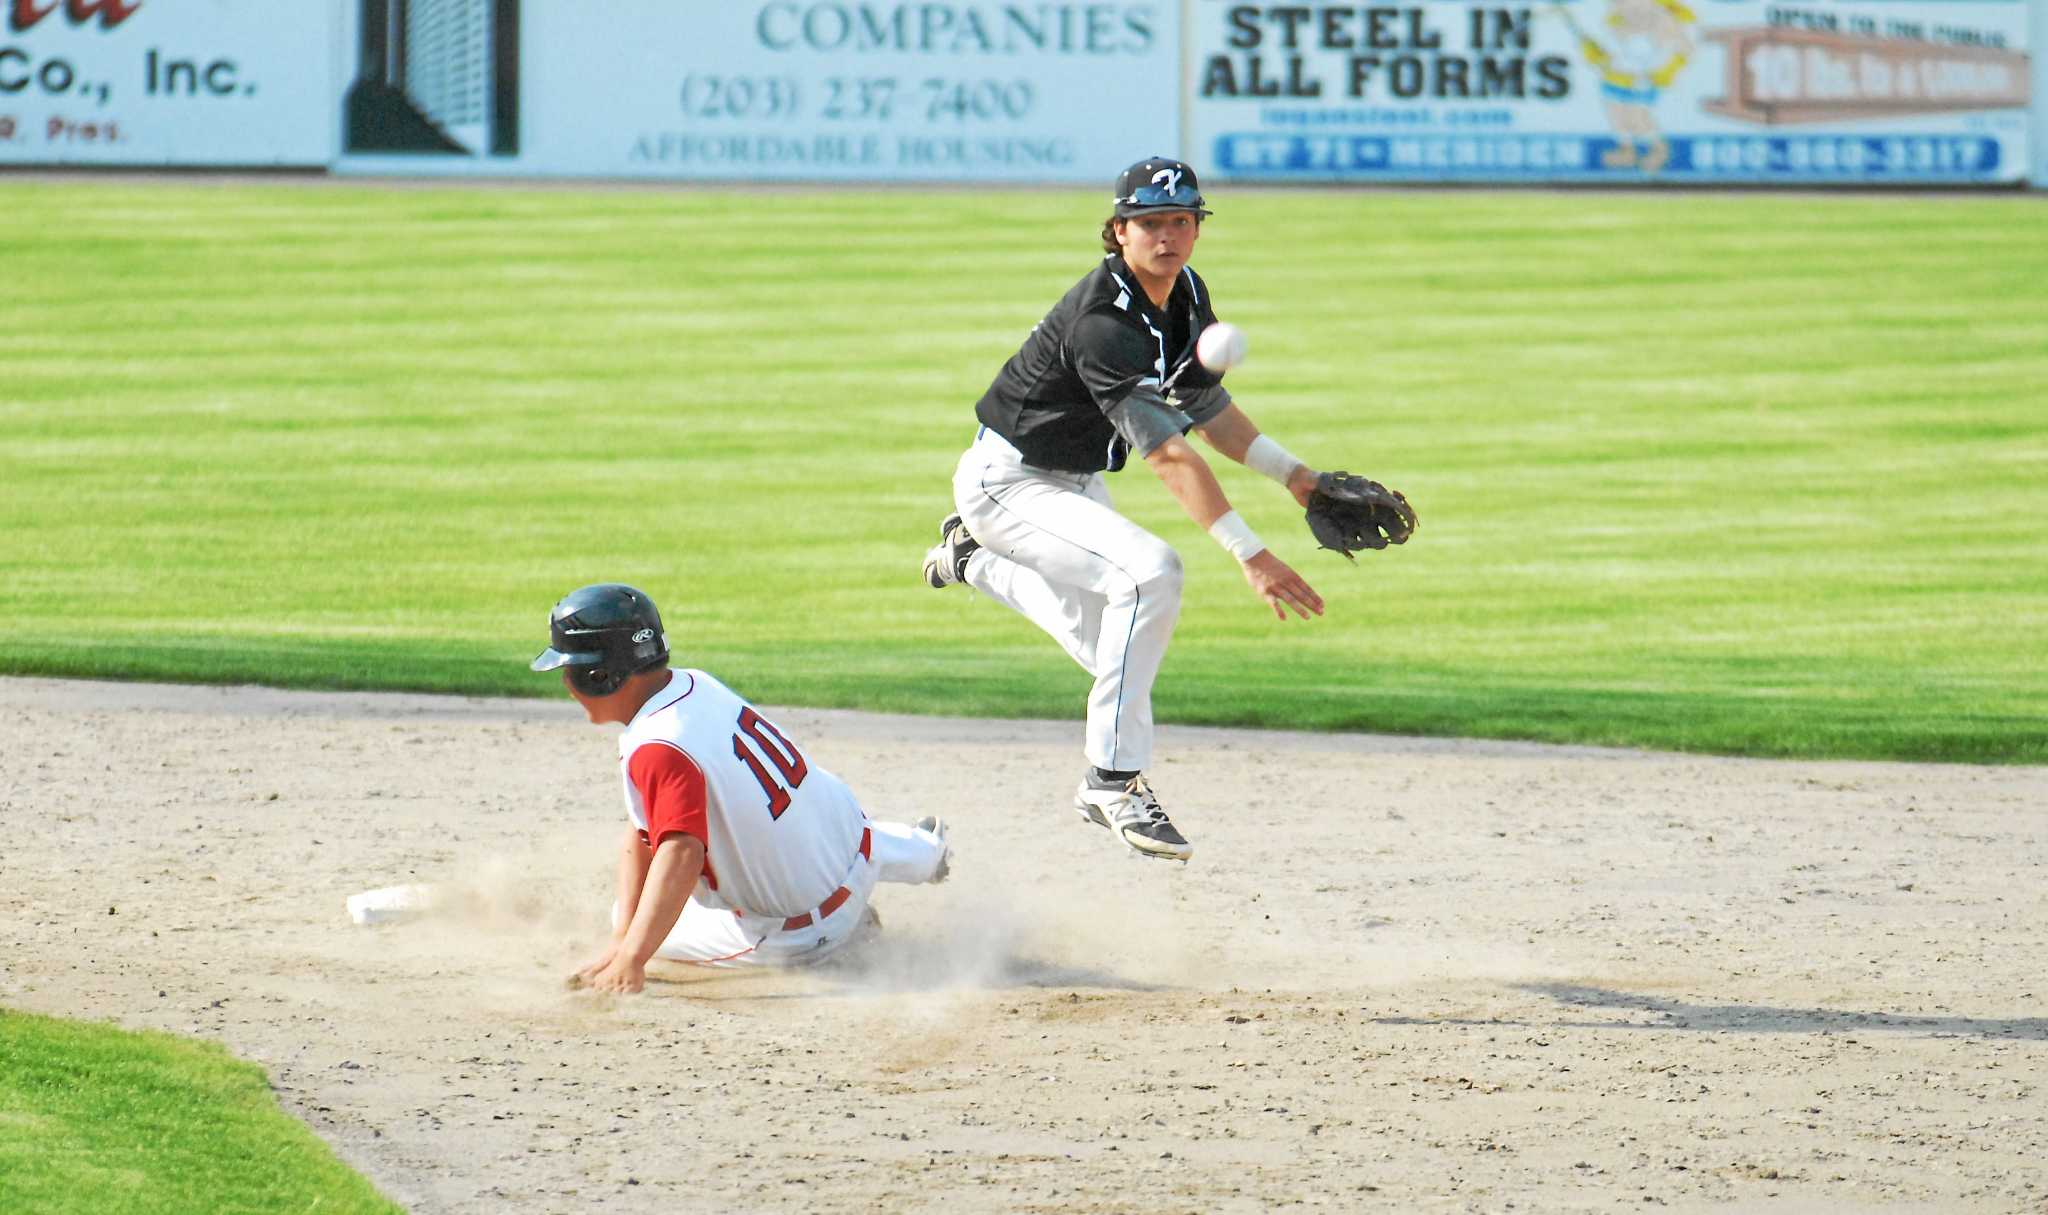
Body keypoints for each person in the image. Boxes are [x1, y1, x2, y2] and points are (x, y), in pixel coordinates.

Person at [923, 155, 1354, 864]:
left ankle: (970, 560)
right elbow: (1169, 455)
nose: (1168, 235)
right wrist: (1251, 553)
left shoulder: (1184, 292)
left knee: (1116, 659)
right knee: (1152, 573)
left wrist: (1298, 479)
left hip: (1074, 481)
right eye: (1149, 222)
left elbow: (1206, 408)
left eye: (1181, 220)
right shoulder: (1104, 321)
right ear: (1118, 230)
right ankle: (1112, 783)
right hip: (1009, 484)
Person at [532, 583, 951, 992]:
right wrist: (625, 935)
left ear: (597, 676)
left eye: (568, 670)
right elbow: (644, 827)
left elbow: (679, 853)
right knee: (801, 811)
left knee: (642, 914)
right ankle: (920, 851)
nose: (566, 683)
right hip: (860, 844)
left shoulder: (656, 747)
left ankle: (847, 932)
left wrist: (630, 955)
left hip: (805, 929)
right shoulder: (695, 685)